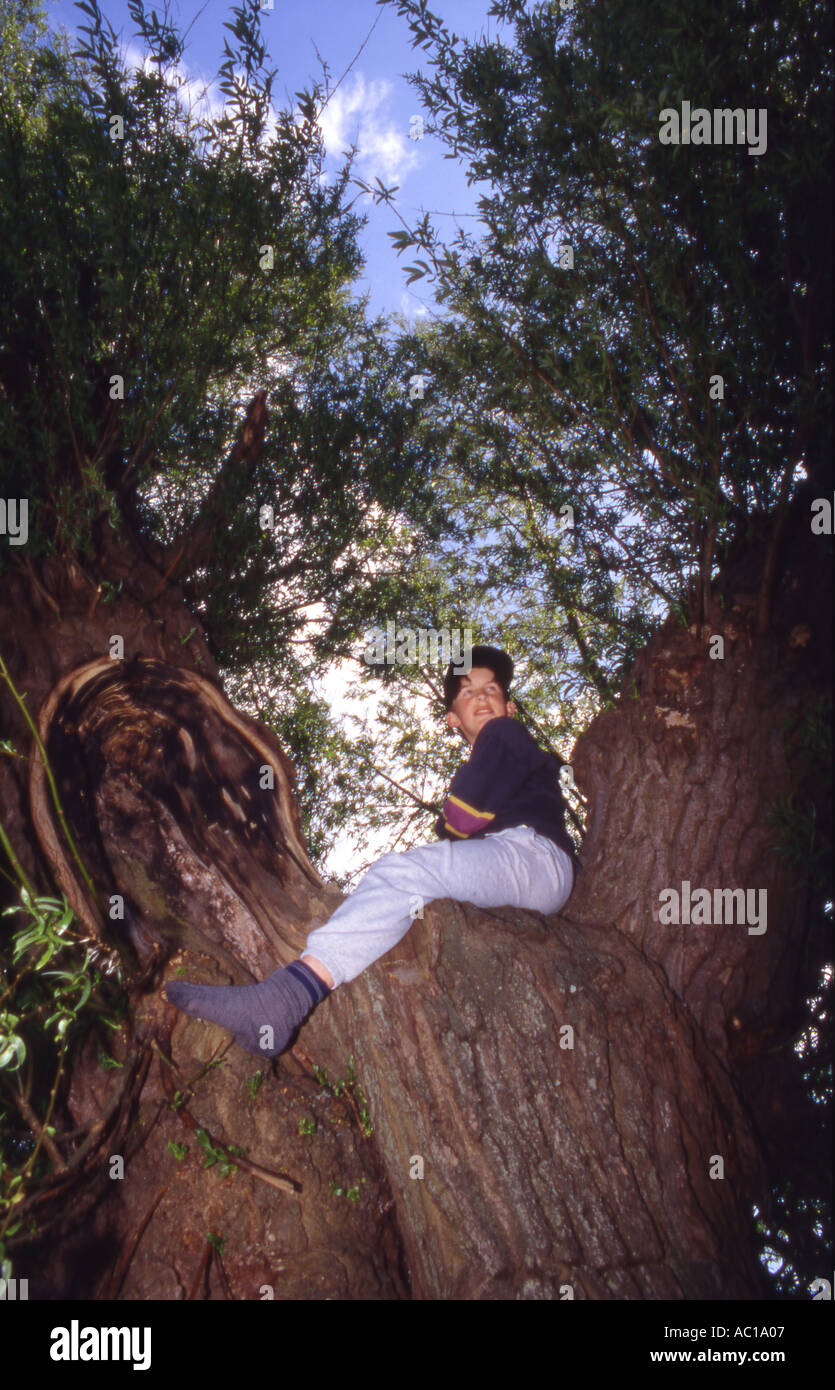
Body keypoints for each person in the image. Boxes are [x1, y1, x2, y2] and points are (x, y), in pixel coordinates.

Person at [164, 646, 577, 1056]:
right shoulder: (504, 758)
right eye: (468, 692)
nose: (483, 697)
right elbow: (460, 829)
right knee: (414, 889)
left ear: (510, 707)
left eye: (492, 690)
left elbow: (462, 817)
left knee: (400, 874)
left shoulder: (507, 735)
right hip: (528, 871)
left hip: (532, 856)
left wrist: (450, 823)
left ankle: (284, 998)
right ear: (452, 718)